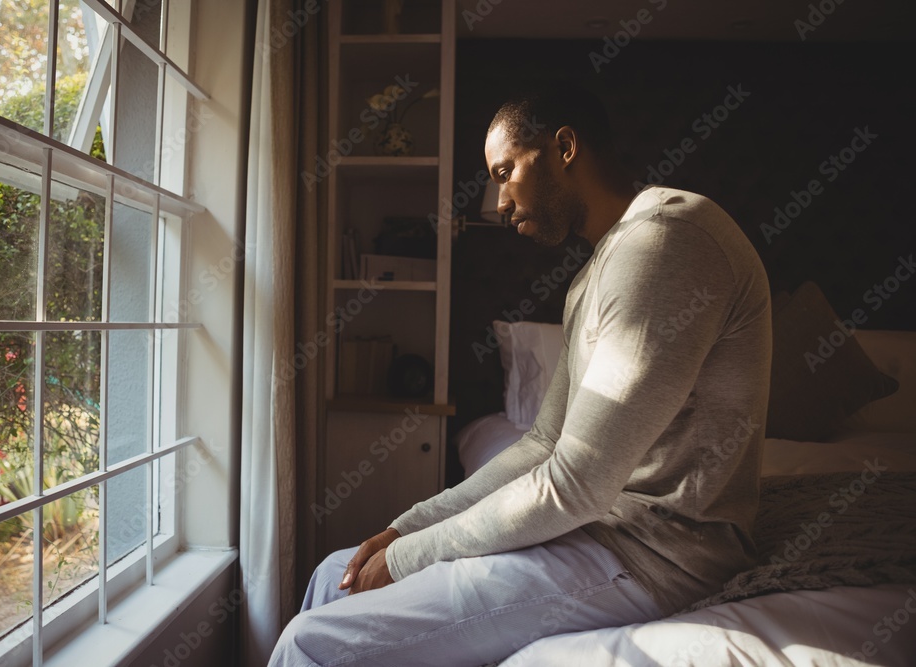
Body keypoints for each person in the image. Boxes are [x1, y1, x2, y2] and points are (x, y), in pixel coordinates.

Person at [269, 86, 772, 666]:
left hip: (658, 555)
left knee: (311, 644)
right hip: (600, 531)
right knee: (335, 572)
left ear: (563, 147)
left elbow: (575, 482)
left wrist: (411, 557)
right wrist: (406, 527)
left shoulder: (666, 241)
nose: (499, 202)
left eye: (505, 171)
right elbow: (544, 441)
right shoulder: (595, 275)